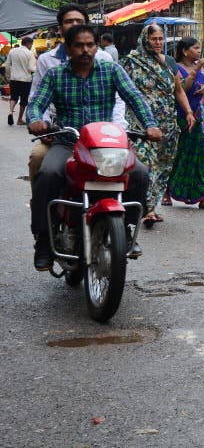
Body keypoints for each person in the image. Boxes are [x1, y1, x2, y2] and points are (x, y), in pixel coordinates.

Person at [26, 25, 162, 270]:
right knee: (47, 175)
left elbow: (135, 98)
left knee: (140, 173)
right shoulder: (56, 75)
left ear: (97, 46)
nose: (85, 50)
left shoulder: (111, 70)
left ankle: (126, 228)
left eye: (90, 45)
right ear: (68, 48)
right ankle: (44, 240)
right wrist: (37, 120)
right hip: (69, 143)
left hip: (104, 145)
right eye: (79, 45)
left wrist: (150, 125)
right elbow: (36, 103)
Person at [28, 4, 121, 184]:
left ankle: (138, 210)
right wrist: (41, 123)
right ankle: (40, 205)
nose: (74, 24)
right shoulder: (48, 61)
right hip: (59, 131)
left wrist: (118, 128)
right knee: (39, 160)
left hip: (102, 133)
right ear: (60, 28)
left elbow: (122, 98)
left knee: (134, 169)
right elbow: (37, 99)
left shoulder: (105, 60)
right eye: (69, 21)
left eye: (79, 21)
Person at [120, 23, 196, 227]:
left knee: (163, 164)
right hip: (141, 124)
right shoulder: (131, 62)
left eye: (161, 39)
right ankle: (147, 209)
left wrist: (188, 111)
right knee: (147, 163)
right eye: (154, 39)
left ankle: (150, 205)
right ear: (145, 39)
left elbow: (178, 90)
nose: (158, 43)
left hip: (167, 123)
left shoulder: (169, 62)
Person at [165, 37, 204, 210]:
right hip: (184, 118)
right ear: (185, 51)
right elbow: (183, 89)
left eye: (199, 47)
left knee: (203, 156)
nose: (198, 51)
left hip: (202, 117)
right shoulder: (176, 69)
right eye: (195, 48)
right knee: (180, 154)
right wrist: (197, 68)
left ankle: (202, 197)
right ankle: (168, 191)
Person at [5, 36, 36, 125]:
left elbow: (7, 65)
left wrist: (8, 77)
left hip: (14, 78)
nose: (31, 46)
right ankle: (19, 119)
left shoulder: (12, 51)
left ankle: (11, 112)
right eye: (31, 45)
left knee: (14, 96)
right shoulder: (29, 53)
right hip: (25, 80)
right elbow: (31, 68)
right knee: (23, 100)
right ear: (28, 44)